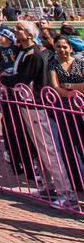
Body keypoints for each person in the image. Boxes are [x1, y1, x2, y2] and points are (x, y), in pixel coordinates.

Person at [0, 21, 73, 206]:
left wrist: (4, 79)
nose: (16, 32)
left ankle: (66, 191)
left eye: (20, 29)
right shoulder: (22, 52)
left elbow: (24, 78)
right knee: (38, 148)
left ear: (30, 35)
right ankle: (50, 184)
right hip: (25, 104)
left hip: (37, 105)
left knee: (48, 148)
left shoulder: (35, 54)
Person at [46, 36, 84, 198]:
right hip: (64, 109)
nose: (62, 50)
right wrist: (74, 92)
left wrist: (69, 87)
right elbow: (55, 87)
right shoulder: (53, 65)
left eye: (64, 47)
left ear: (70, 48)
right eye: (59, 47)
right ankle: (77, 182)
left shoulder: (79, 63)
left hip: (80, 108)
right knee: (68, 145)